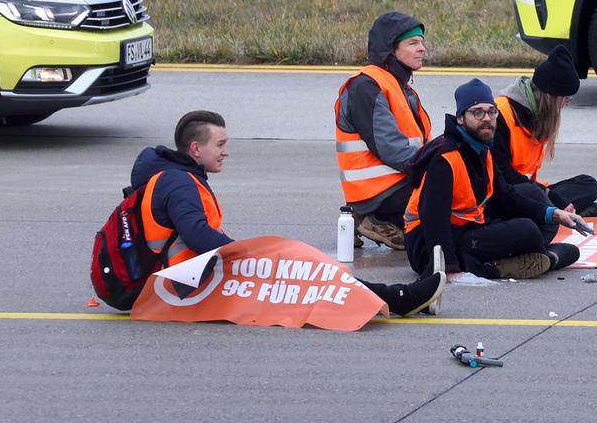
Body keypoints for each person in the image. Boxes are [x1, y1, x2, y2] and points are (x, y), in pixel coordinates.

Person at [131, 110, 446, 316]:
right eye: (220, 144)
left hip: (192, 277)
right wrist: (248, 255)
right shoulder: (178, 182)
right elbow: (198, 237)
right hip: (183, 286)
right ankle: (397, 298)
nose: (226, 152)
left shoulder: (179, 176)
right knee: (300, 271)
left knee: (304, 269)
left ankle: (393, 297)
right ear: (196, 149)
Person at [404, 79, 590, 281]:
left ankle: (529, 257)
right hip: (428, 245)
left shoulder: (482, 150)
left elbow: (506, 198)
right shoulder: (445, 159)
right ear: (460, 118)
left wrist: (554, 214)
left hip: (467, 229)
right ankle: (497, 266)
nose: (486, 118)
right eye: (477, 112)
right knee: (527, 231)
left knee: (541, 218)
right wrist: (448, 268)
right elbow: (433, 218)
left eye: (491, 112)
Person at [333, 11, 432, 250]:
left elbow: (420, 143)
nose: (422, 48)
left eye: (421, 42)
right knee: (449, 194)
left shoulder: (400, 86)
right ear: (390, 50)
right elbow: (392, 149)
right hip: (378, 192)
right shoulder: (366, 86)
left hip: (398, 182)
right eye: (413, 43)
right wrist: (438, 168)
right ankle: (374, 219)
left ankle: (387, 221)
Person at [493, 44, 597, 218]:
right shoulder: (500, 114)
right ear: (550, 97)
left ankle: (556, 214)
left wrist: (548, 194)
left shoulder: (538, 115)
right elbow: (502, 174)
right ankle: (554, 214)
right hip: (507, 192)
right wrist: (552, 196)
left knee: (589, 184)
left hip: (530, 188)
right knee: (595, 209)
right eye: (566, 98)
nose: (566, 103)